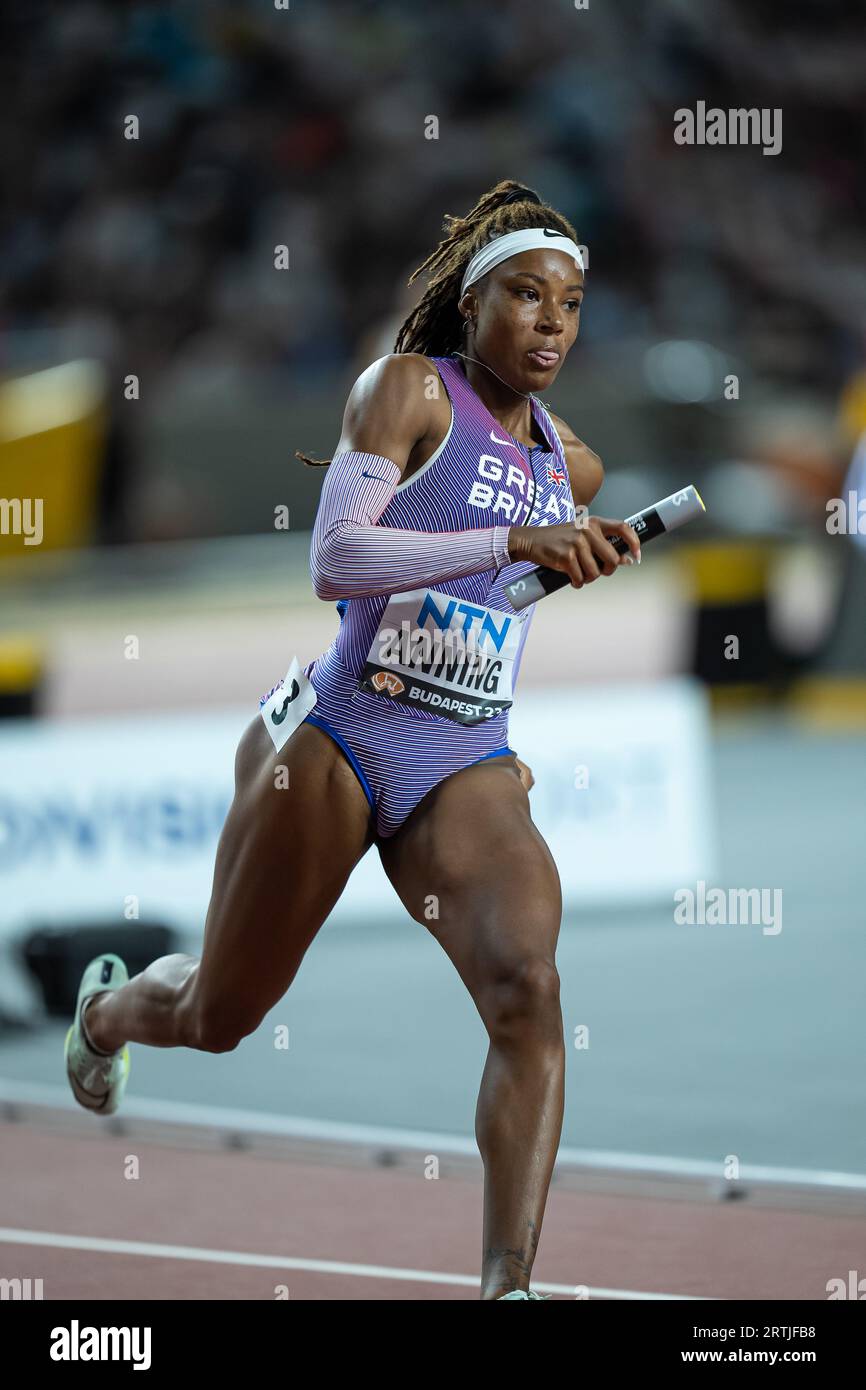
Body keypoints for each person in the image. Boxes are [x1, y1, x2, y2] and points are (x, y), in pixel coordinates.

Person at [65, 179, 640, 1301]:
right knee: (217, 1016)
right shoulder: (406, 392)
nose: (550, 322)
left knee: (527, 985)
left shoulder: (571, 469)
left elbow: (489, 603)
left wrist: (563, 554)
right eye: (525, 295)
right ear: (473, 304)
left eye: (569, 304)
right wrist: (511, 534)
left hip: (460, 757)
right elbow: (337, 560)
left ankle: (506, 1285)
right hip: (332, 738)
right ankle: (107, 1008)